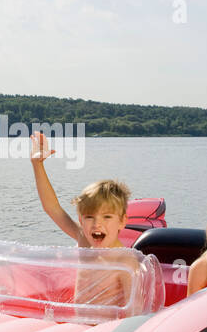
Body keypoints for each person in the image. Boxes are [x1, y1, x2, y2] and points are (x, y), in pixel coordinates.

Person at [29, 131, 136, 307]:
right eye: (89, 217)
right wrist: (37, 164)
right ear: (81, 218)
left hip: (109, 331)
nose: (97, 224)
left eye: (107, 216)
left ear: (123, 221)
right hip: (80, 326)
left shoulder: (124, 261)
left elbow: (135, 310)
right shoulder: (84, 240)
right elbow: (52, 208)